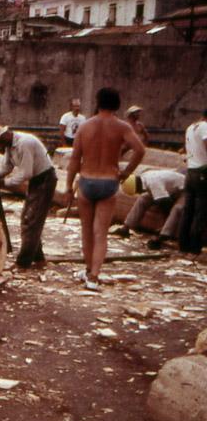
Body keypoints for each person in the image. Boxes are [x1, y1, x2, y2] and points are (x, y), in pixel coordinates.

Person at [66, 87, 146, 290]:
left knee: (86, 230)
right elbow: (140, 149)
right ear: (117, 103)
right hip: (109, 181)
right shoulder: (122, 127)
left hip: (87, 179)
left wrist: (68, 186)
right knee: (100, 232)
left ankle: (87, 269)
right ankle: (94, 276)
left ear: (98, 102)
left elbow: (75, 159)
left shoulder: (85, 126)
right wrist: (126, 172)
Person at [0, 123, 57, 269]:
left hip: (45, 179)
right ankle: (39, 258)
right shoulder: (10, 146)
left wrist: (2, 183)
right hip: (36, 180)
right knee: (29, 219)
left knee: (31, 220)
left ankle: (24, 262)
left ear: (3, 136)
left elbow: (25, 173)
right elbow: (7, 167)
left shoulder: (24, 143)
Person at [111, 169, 186, 250]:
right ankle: (126, 227)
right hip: (170, 190)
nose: (139, 193)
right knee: (143, 198)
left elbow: (165, 204)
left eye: (138, 191)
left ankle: (163, 237)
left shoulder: (153, 183)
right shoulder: (144, 178)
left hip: (185, 189)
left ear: (138, 187)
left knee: (177, 209)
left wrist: (165, 223)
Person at [178, 109, 207, 255]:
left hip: (190, 171)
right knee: (200, 210)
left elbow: (187, 149)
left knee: (188, 209)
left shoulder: (191, 127)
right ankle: (195, 246)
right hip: (202, 171)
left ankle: (183, 243)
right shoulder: (205, 127)